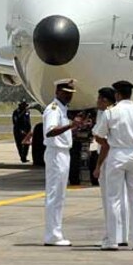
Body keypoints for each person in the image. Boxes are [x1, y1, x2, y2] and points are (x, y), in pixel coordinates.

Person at [93, 79, 133, 251]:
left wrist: (105, 145)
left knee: (114, 199)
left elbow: (99, 136)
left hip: (117, 154)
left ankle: (112, 240)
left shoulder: (111, 113)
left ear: (117, 94)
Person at [42, 78, 85, 246]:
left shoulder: (62, 109)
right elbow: (50, 131)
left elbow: (61, 132)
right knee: (55, 195)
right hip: (56, 153)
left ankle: (56, 233)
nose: (69, 96)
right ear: (57, 92)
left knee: (59, 195)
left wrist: (74, 127)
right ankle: (52, 235)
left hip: (63, 153)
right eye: (66, 93)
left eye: (71, 93)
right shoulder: (53, 109)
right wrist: (71, 125)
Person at [92, 87, 129, 247]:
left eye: (99, 99)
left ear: (105, 100)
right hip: (124, 155)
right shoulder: (122, 112)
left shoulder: (107, 114)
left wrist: (98, 165)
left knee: (110, 199)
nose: (97, 101)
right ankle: (122, 235)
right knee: (122, 197)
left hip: (108, 158)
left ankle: (111, 236)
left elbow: (104, 143)